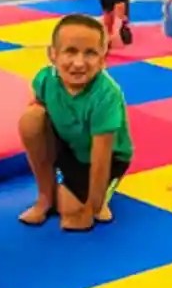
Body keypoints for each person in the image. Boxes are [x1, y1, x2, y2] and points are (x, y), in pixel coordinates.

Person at [17, 14, 133, 231]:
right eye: (70, 51)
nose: (79, 63)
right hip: (70, 144)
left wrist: (92, 206)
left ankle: (100, 195)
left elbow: (101, 156)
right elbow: (39, 117)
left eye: (90, 53)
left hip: (104, 157)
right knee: (31, 119)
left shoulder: (106, 94)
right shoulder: (45, 78)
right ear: (52, 54)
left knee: (72, 218)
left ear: (102, 59)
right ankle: (45, 196)